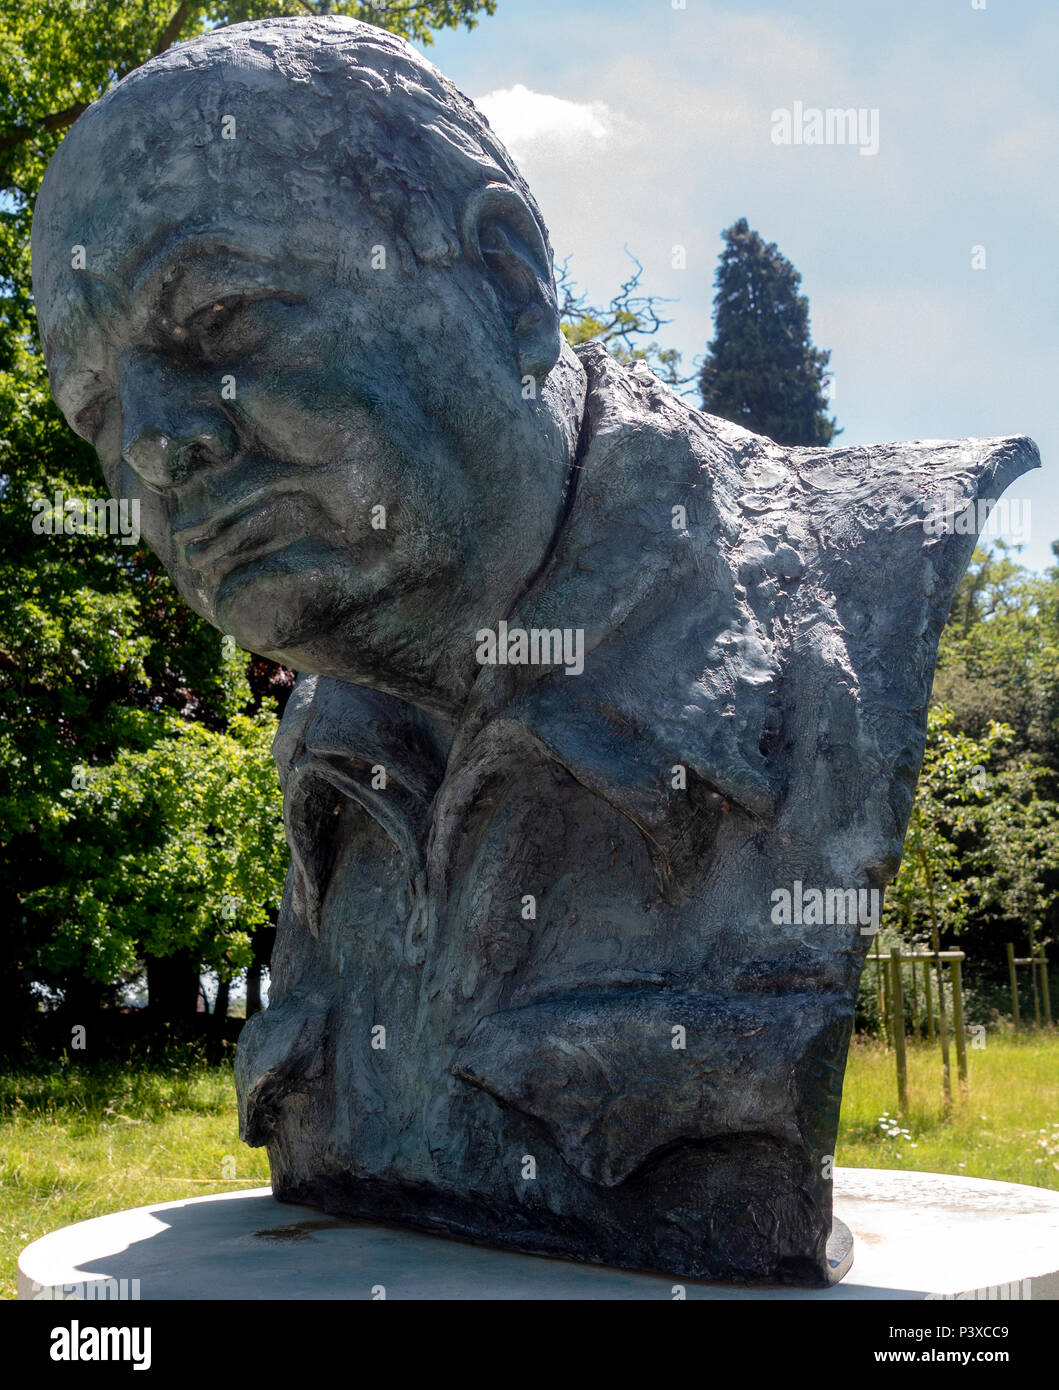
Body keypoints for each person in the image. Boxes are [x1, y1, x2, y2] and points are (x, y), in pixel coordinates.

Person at [31, 15, 1039, 1283]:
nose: (158, 449)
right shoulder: (330, 757)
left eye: (222, 316)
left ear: (506, 282)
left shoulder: (852, 599)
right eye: (100, 410)